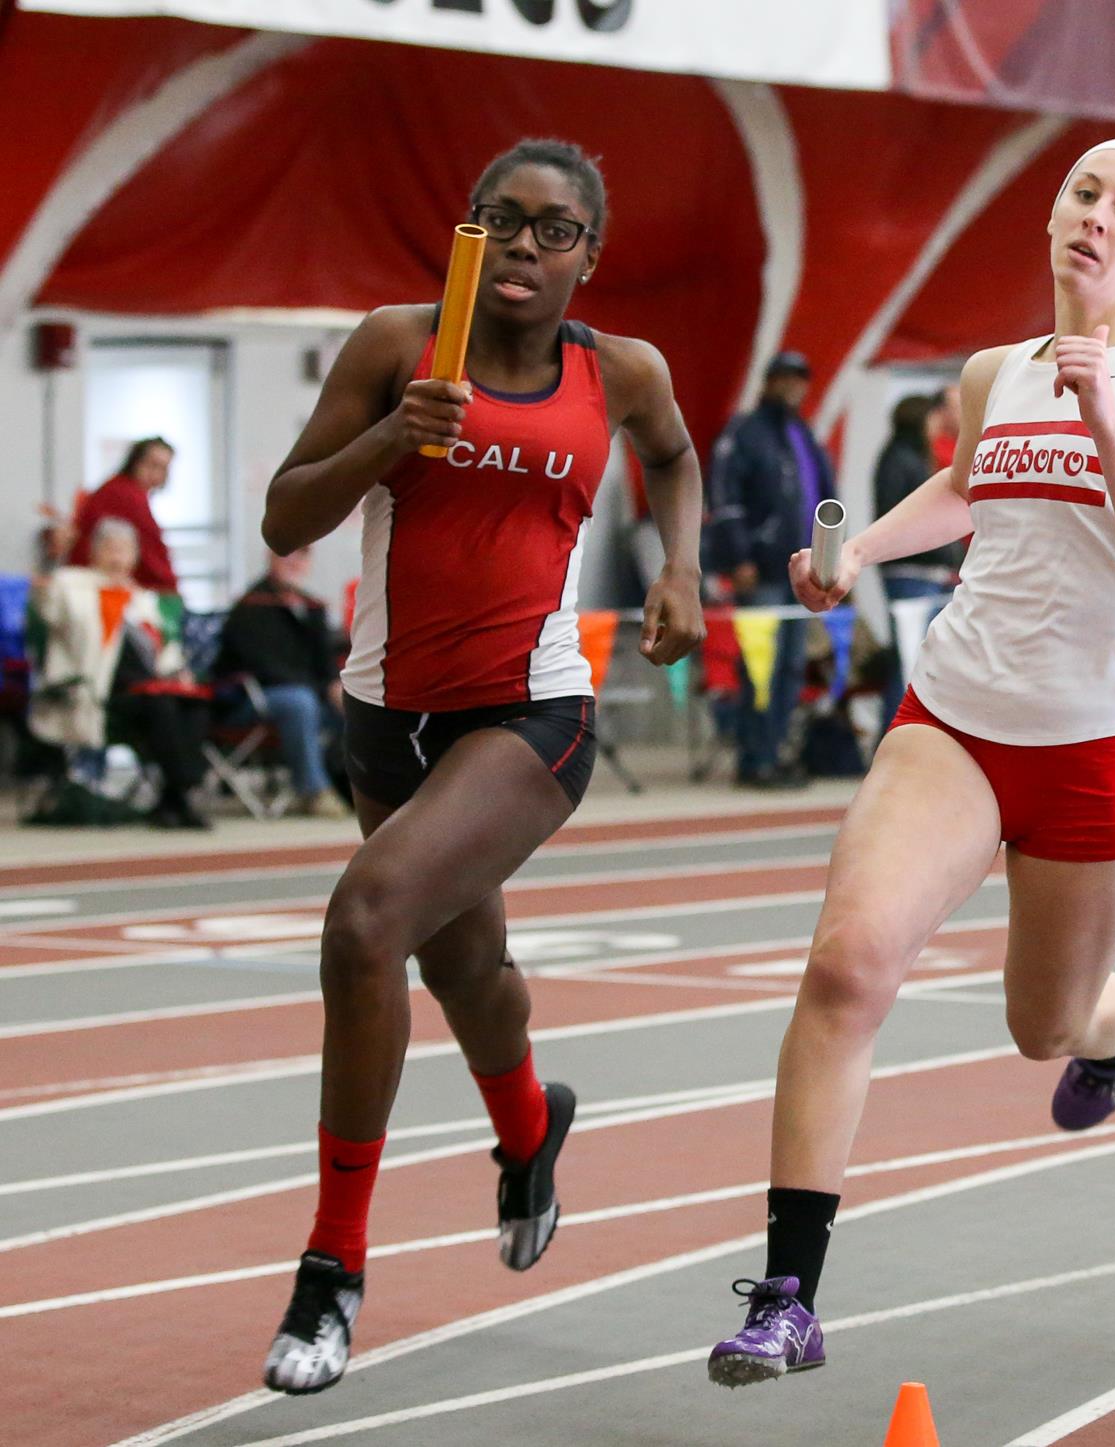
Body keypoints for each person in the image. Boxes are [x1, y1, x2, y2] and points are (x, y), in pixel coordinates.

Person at [707, 137, 1115, 1387]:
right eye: (1080, 195)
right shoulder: (991, 371)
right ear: (1051, 218)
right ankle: (787, 1296)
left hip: (1100, 749)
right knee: (845, 966)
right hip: (954, 717)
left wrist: (1105, 408)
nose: (1094, 220)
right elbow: (968, 484)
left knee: (1040, 1024)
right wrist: (862, 552)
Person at [254, 138, 706, 1395]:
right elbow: (286, 519)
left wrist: (679, 566)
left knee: (366, 924)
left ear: (587, 258)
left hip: (529, 712)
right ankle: (529, 1126)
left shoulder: (618, 370)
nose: (522, 245)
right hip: (384, 713)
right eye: (498, 222)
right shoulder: (400, 347)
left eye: (552, 230)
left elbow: (670, 453)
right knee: (467, 969)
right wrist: (390, 440)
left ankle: (331, 1270)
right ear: (467, 235)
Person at [31, 518, 211, 829]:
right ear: (94, 551)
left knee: (194, 705)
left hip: (148, 689)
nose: (117, 555)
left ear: (135, 557)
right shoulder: (71, 586)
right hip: (97, 693)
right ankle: (182, 794)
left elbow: (164, 652)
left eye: (125, 549)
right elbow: (46, 606)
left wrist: (179, 673)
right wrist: (53, 558)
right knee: (162, 708)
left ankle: (173, 796)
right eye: (110, 547)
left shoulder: (143, 600)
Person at [706, 352, 833, 788]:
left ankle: (774, 750)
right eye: (785, 378)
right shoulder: (746, 432)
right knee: (761, 665)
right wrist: (738, 556)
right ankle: (754, 757)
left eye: (800, 378)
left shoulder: (801, 434)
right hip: (761, 570)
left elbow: (826, 501)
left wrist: (832, 561)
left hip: (804, 570)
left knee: (792, 667)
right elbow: (724, 498)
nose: (793, 386)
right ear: (769, 380)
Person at [217, 547, 348, 819]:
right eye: (286, 554)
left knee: (357, 704)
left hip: (308, 695)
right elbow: (261, 667)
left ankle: (355, 787)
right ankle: (313, 791)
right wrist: (320, 688)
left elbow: (325, 662)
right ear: (270, 559)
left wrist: (335, 686)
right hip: (251, 700)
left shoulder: (313, 607)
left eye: (301, 556)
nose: (293, 562)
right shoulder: (251, 606)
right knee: (299, 702)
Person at [874, 391, 963, 721]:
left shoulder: (918, 459)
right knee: (907, 662)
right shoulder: (899, 460)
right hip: (909, 574)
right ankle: (895, 735)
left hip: (931, 573)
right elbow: (897, 515)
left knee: (923, 664)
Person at [64, 437, 179, 593]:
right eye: (152, 464)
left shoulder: (125, 490)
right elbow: (149, 550)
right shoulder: (124, 494)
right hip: (97, 585)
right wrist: (169, 587)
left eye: (163, 468)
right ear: (136, 461)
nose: (156, 473)